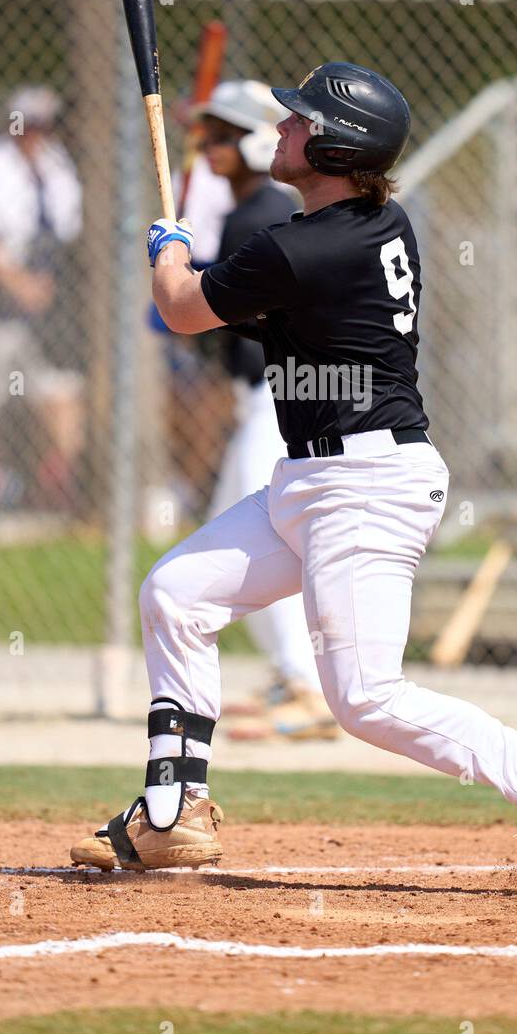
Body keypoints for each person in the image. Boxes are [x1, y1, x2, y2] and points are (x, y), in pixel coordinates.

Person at [72, 61, 517, 892]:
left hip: (365, 489)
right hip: (313, 482)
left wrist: (172, 249)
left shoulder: (311, 244)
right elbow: (267, 316)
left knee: (364, 699)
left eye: (298, 123)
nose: (282, 131)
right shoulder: (367, 224)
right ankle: (173, 811)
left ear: (334, 144)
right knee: (176, 594)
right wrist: (202, 257)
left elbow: (180, 310)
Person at [195, 79, 339, 741]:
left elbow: (220, 311)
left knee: (255, 540)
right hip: (264, 396)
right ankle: (293, 675)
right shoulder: (246, 210)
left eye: (224, 135)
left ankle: (309, 688)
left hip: (281, 400)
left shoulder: (259, 215)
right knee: (228, 534)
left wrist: (182, 279)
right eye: (209, 134)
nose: (210, 146)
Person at [0, 87, 84, 510]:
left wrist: (45, 285)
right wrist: (20, 284)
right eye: (33, 126)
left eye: (47, 126)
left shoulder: (58, 165)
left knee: (61, 389)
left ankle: (60, 487)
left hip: (48, 302)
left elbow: (65, 233)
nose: (40, 135)